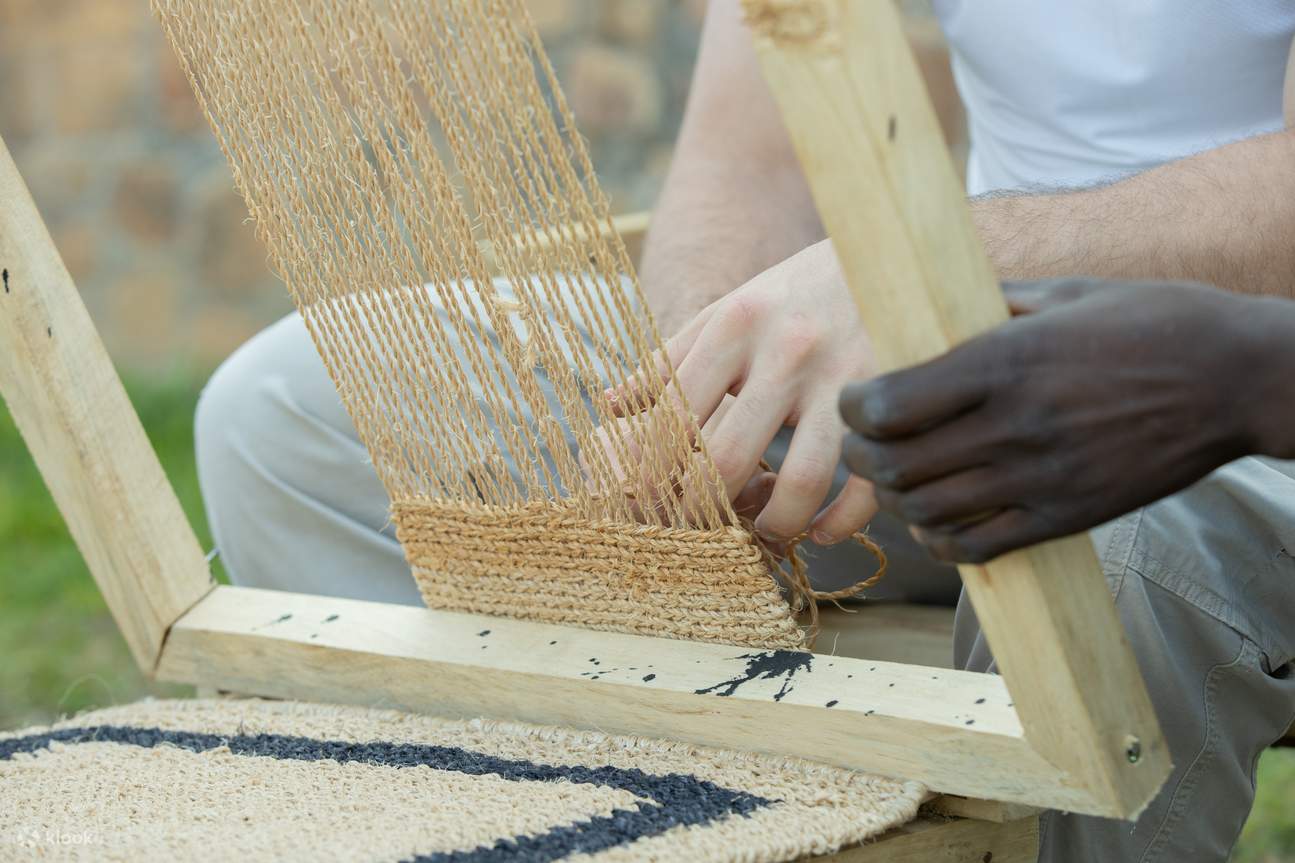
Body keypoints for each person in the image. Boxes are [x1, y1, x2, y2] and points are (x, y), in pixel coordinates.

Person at [196, 3, 1295, 860]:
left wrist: (928, 274)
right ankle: (568, 820)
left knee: (1102, 550)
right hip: (929, 340)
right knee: (286, 416)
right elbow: (747, 160)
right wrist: (703, 410)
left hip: (1242, 391)